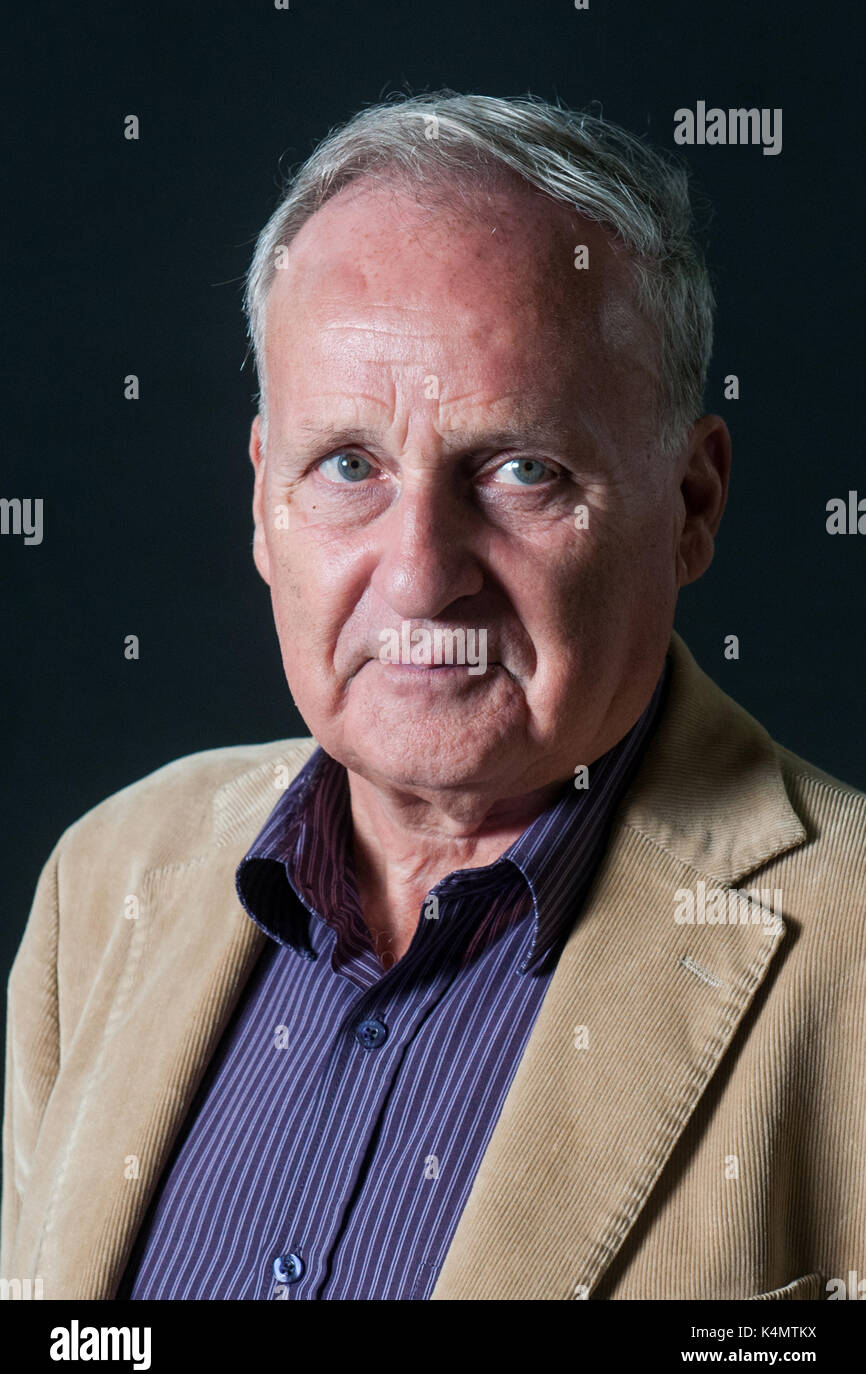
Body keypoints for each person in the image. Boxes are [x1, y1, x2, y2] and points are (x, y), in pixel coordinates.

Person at [2, 92, 863, 1302]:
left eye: (520, 470)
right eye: (348, 464)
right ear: (264, 498)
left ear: (690, 503)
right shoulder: (104, 886)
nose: (418, 572)